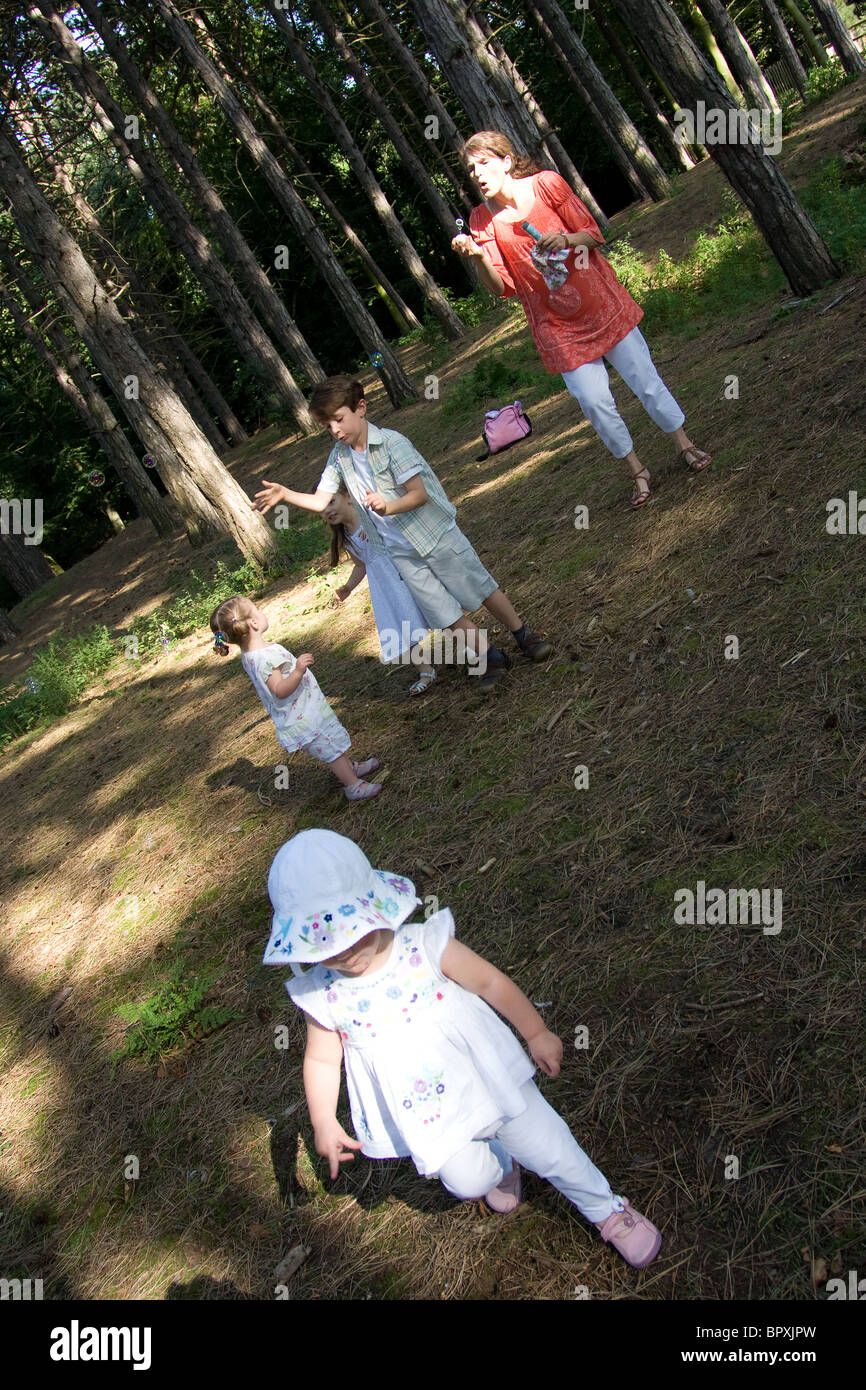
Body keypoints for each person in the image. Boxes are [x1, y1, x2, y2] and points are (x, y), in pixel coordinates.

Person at [263, 828, 663, 1269]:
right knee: (468, 1179)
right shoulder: (324, 993)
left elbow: (489, 981)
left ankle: (607, 1211)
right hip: (430, 1112)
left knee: (552, 1149)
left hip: (490, 1078)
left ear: (373, 907)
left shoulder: (421, 945)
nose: (343, 953)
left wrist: (535, 1032)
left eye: (352, 934)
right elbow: (321, 1057)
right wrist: (322, 1119)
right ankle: (502, 1165)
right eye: (324, 945)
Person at [453, 131, 712, 510]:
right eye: (470, 168)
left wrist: (566, 239)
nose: (477, 173)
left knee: (646, 381)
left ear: (506, 162)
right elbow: (502, 287)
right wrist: (477, 256)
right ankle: (637, 470)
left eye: (484, 162)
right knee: (595, 403)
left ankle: (684, 444)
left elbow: (593, 234)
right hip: (556, 327)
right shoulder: (481, 220)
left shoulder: (547, 184)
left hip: (601, 304)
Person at [252, 375, 553, 691]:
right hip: (400, 552)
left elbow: (418, 494)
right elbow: (321, 499)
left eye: (339, 420)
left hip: (434, 535)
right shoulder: (339, 457)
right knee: (443, 613)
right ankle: (490, 656)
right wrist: (285, 494)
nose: (335, 430)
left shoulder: (392, 443)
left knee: (480, 587)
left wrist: (387, 506)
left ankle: (524, 635)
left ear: (361, 408)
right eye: (328, 426)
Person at [209, 596, 382, 802]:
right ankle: (352, 785)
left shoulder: (251, 654)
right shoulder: (264, 659)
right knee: (329, 748)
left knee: (330, 740)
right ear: (254, 623)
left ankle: (350, 768)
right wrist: (298, 670)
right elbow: (279, 689)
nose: (262, 612)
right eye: (258, 609)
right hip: (301, 716)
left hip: (305, 707)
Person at [325, 483, 438, 697]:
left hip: (401, 570)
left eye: (331, 502)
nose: (327, 510)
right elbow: (362, 564)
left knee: (433, 607)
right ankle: (426, 671)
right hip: (384, 586)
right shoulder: (347, 538)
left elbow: (395, 527)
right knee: (401, 627)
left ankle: (467, 648)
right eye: (321, 508)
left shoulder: (369, 514)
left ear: (347, 496)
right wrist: (348, 587)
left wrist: (375, 526)